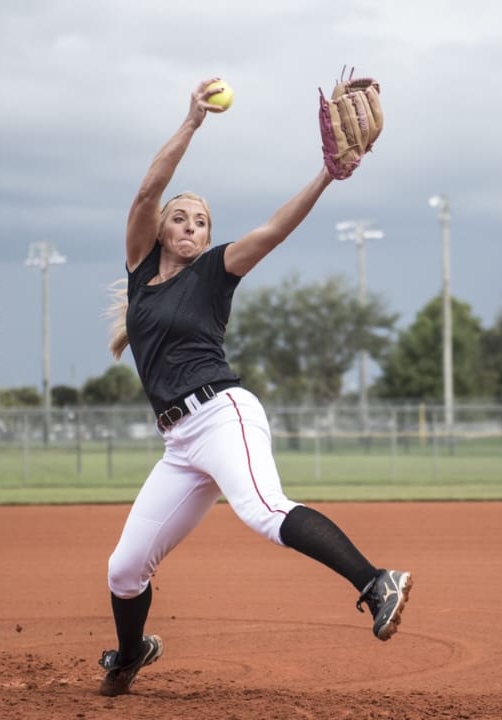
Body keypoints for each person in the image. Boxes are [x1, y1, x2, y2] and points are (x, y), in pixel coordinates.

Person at [97, 77, 412, 697]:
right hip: (180, 443)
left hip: (223, 416)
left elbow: (272, 230)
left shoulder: (215, 272)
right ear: (161, 230)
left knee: (265, 509)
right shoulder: (140, 277)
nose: (190, 226)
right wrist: (190, 122)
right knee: (125, 568)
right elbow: (144, 192)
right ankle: (132, 654)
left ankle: (377, 582)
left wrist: (326, 174)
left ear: (208, 238)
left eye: (202, 222)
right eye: (180, 218)